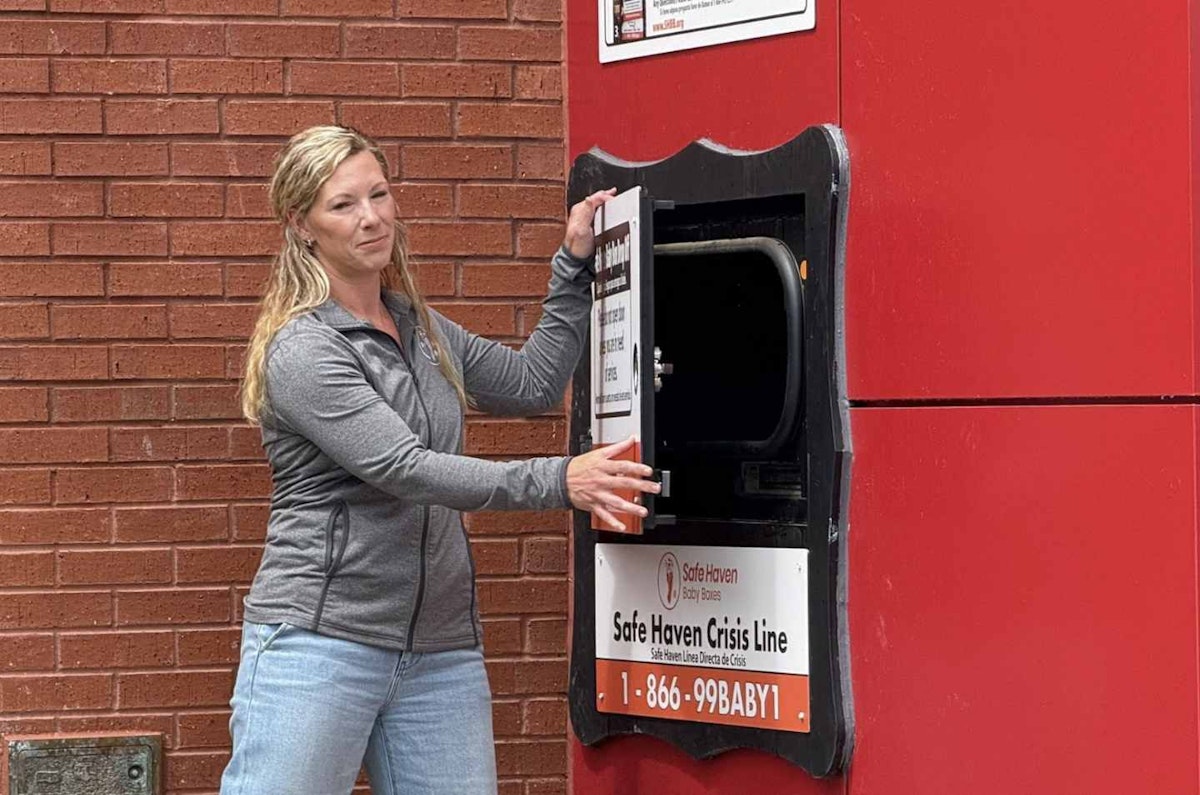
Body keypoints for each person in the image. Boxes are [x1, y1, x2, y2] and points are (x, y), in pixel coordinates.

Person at [220, 125, 657, 795]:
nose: (370, 218)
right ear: (302, 225)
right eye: (343, 205)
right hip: (320, 641)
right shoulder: (303, 349)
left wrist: (572, 267)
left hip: (439, 650)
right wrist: (558, 479)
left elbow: (532, 383)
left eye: (379, 194)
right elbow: (406, 467)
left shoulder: (420, 328)